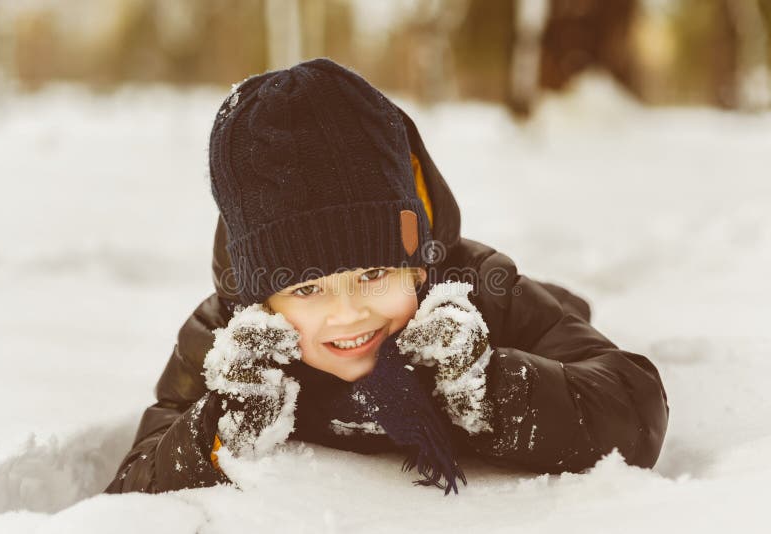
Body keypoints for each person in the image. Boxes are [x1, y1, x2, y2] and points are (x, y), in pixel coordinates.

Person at [103, 57, 669, 496]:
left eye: (374, 272)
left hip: (504, 314)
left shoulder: (471, 298)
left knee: (558, 309)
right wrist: (221, 428)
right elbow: (133, 485)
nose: (348, 313)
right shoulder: (226, 335)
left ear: (418, 263)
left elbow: (634, 409)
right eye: (306, 288)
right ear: (262, 298)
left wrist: (488, 385)